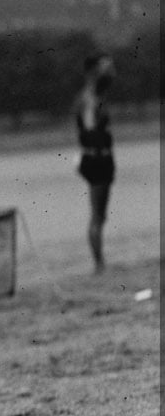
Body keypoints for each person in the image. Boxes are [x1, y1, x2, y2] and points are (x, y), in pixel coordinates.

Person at [74, 53, 116, 272]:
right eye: (105, 68)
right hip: (96, 159)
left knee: (100, 214)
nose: (110, 72)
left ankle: (99, 262)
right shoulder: (89, 98)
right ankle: (99, 264)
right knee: (97, 214)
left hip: (100, 158)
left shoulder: (96, 96)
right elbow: (90, 129)